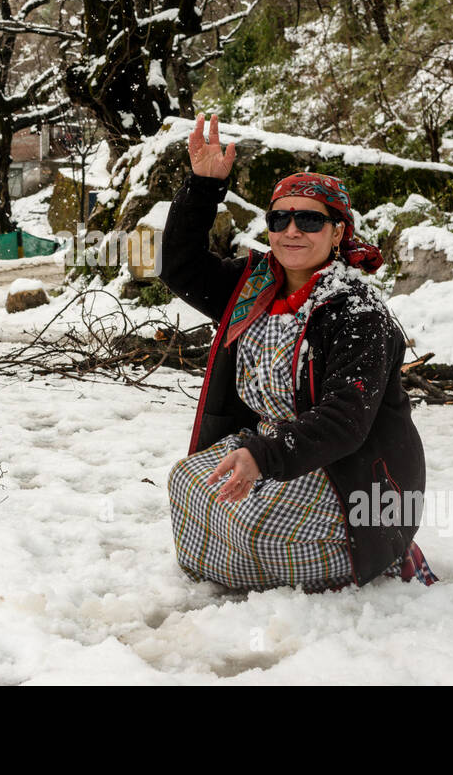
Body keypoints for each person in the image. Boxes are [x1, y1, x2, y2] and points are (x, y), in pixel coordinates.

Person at [160, 112, 437, 592]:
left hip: (351, 476)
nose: (292, 231)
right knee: (187, 482)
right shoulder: (252, 286)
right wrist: (204, 187)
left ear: (338, 232)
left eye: (309, 219)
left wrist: (262, 457)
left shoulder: (357, 311)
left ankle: (375, 555)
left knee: (260, 528)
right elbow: (178, 266)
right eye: (279, 218)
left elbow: (345, 420)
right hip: (274, 449)